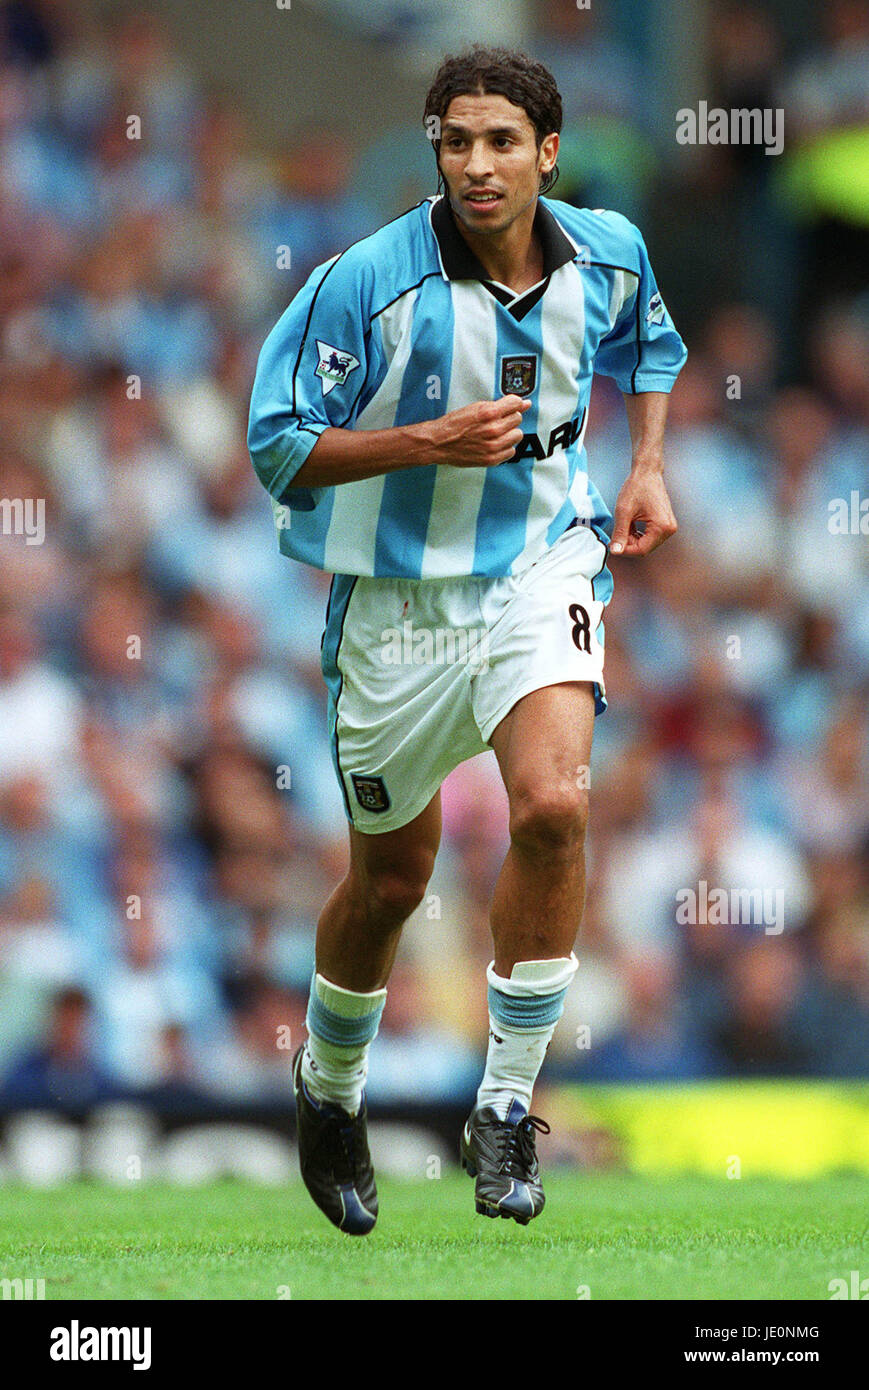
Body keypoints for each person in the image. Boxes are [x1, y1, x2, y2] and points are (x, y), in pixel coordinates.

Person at [248, 45, 686, 1234]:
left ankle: (502, 1108)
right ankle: (330, 1090)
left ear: (547, 152)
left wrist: (643, 464)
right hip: (393, 606)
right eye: (456, 140)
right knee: (390, 880)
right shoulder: (365, 281)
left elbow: (648, 348)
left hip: (542, 571)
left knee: (555, 807)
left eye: (501, 142)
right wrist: (426, 442)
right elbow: (277, 443)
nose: (477, 164)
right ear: (433, 150)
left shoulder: (610, 249)